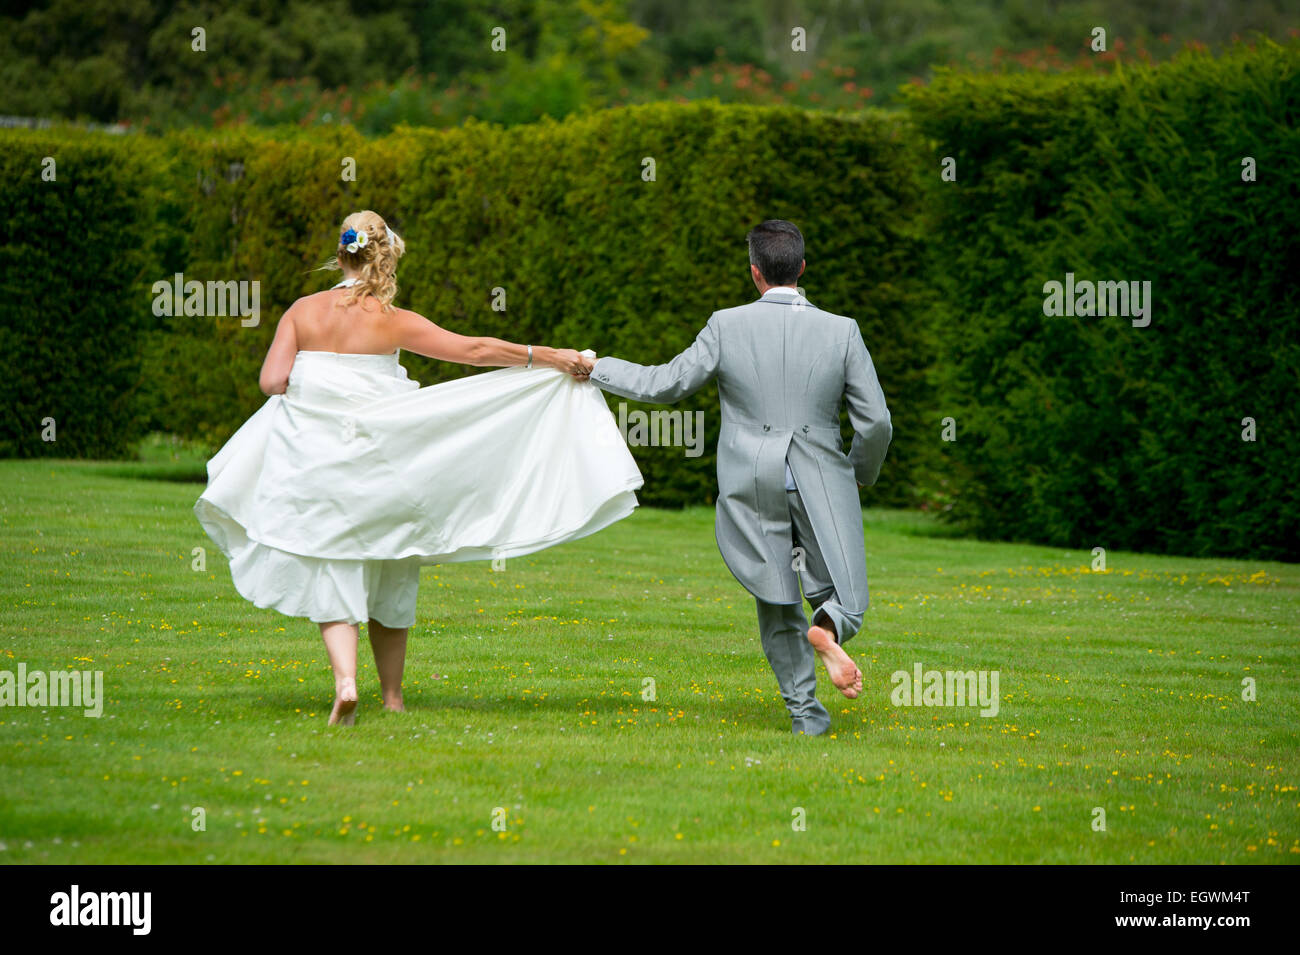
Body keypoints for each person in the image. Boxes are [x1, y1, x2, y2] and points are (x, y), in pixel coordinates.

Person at [195, 210, 641, 726]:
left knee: (331, 561)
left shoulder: (301, 311)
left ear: (340, 254)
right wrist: (550, 356)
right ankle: (393, 698)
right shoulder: (393, 319)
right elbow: (473, 351)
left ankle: (345, 683)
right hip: (384, 468)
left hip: (317, 467)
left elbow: (272, 382)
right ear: (386, 256)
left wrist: (315, 381)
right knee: (394, 562)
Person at [589, 220, 892, 736]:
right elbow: (877, 423)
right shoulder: (843, 329)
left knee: (776, 597)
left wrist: (596, 366)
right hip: (820, 476)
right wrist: (859, 472)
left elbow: (665, 384)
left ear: (755, 272)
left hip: (752, 482)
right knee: (846, 595)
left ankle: (807, 717)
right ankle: (828, 628)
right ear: (801, 267)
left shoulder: (725, 325)